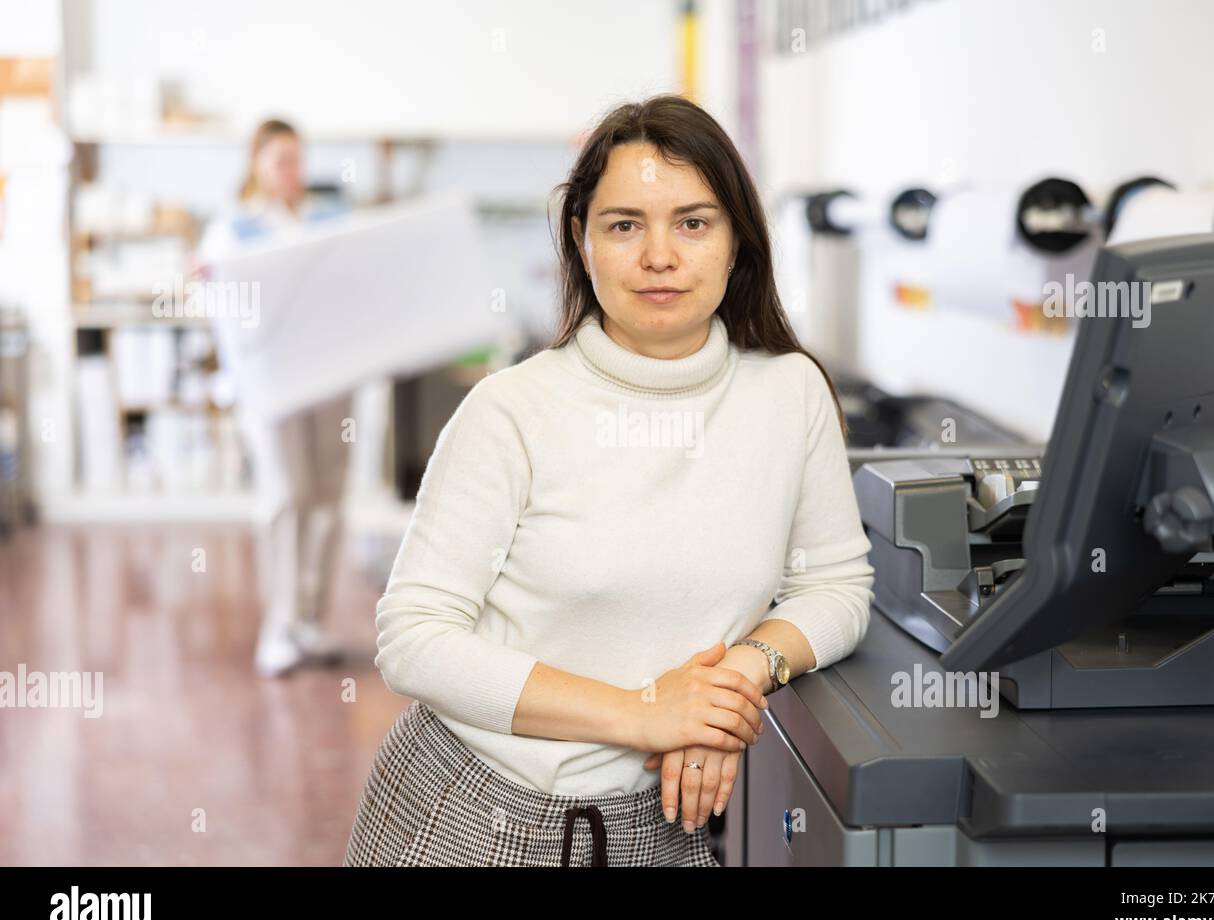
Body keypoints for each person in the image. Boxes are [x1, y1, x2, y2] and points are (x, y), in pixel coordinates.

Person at [344, 95, 874, 867]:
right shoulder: (512, 410)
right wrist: (644, 714)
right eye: (625, 224)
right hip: (474, 816)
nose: (659, 255)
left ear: (738, 241)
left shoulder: (791, 394)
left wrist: (731, 686)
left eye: (693, 222)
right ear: (581, 239)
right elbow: (414, 640)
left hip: (664, 829)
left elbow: (836, 585)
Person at [196, 118, 351, 678]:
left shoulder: (331, 219)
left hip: (331, 380)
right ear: (256, 163)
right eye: (280, 159)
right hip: (271, 385)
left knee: (327, 498)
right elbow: (218, 307)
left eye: (298, 159)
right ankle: (278, 626)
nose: (292, 171)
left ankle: (310, 617)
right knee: (285, 496)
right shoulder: (232, 231)